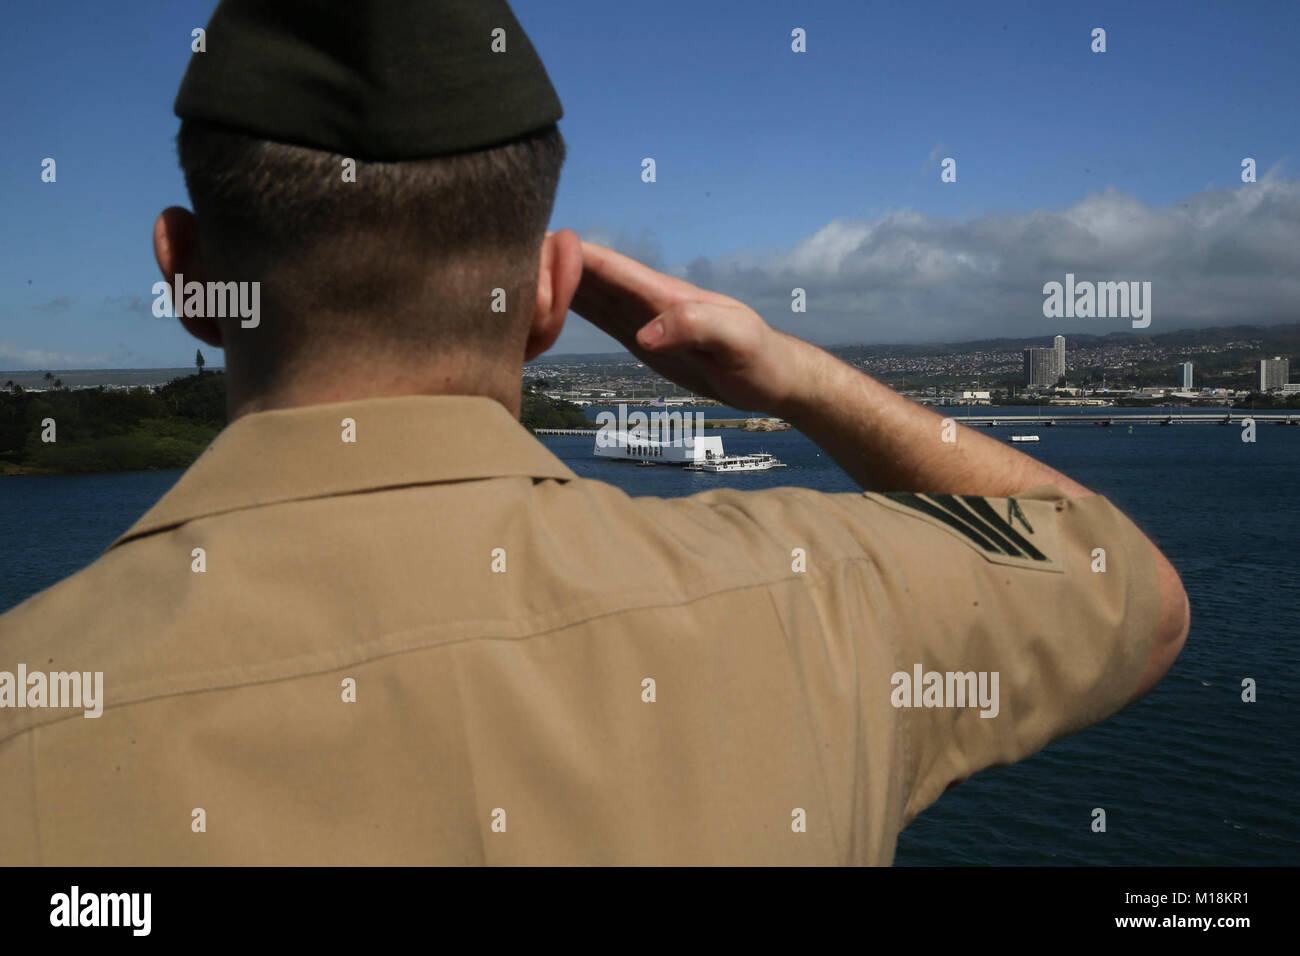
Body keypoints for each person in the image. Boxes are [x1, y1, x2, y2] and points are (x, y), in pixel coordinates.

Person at [0, 0, 1188, 865]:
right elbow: (1121, 584)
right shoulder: (818, 595)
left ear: (186, 275)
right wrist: (800, 380)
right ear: (551, 292)